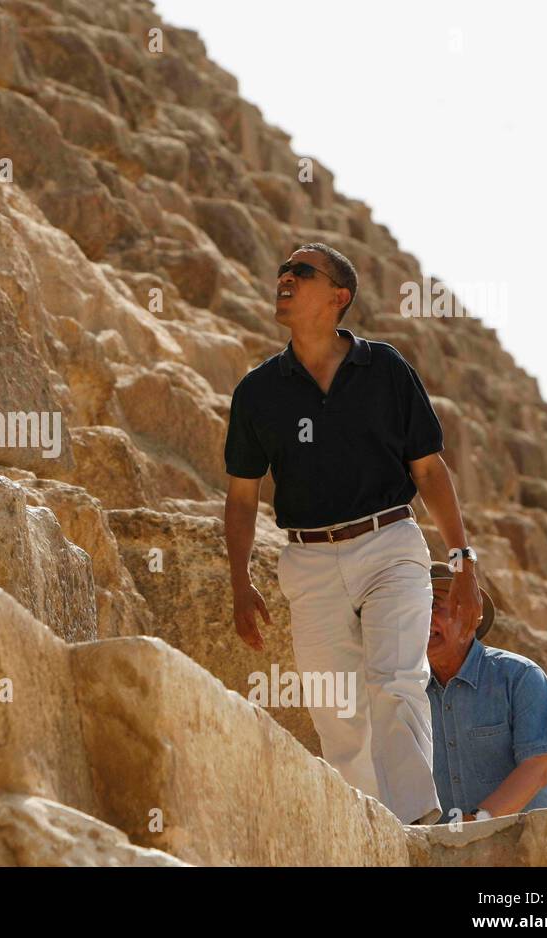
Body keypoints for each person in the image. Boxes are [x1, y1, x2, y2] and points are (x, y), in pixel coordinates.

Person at [224, 241, 484, 826]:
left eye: (301, 271)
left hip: (389, 543)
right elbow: (241, 498)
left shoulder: (386, 369)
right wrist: (239, 579)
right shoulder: (257, 392)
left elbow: (429, 468)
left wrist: (463, 557)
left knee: (396, 681)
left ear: (338, 297)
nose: (284, 277)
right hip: (308, 560)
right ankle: (367, 838)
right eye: (282, 268)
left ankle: (420, 823)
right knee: (335, 710)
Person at [426, 561, 547, 821]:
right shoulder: (406, 692)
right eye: (413, 606)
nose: (422, 617)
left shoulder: (519, 676)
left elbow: (537, 769)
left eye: (434, 605)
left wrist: (477, 823)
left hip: (527, 849)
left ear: (470, 615)